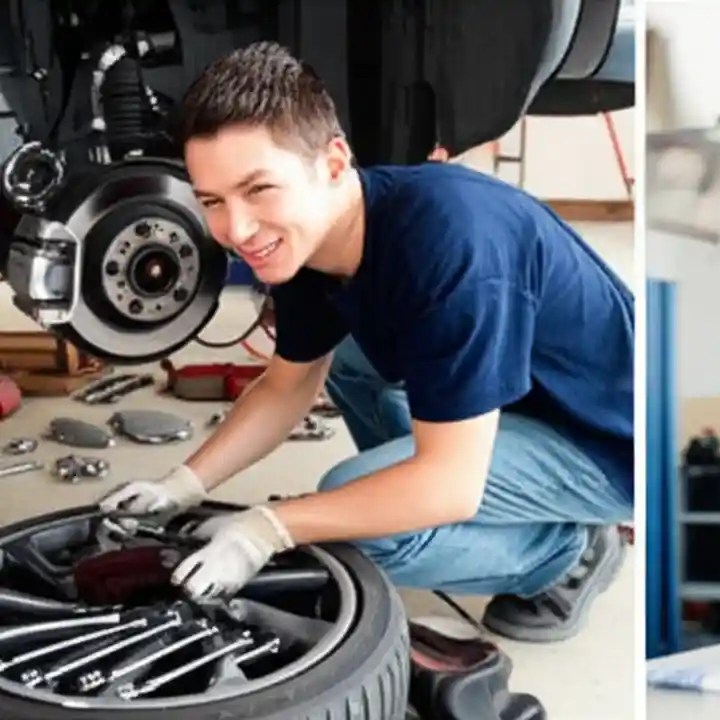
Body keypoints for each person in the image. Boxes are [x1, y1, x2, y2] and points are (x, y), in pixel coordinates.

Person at [96, 41, 635, 643]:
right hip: (515, 404)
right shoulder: (310, 239)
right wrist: (184, 484)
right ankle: (431, 509)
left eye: (259, 190)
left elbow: (448, 484)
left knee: (356, 512)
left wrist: (270, 528)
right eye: (213, 202)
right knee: (348, 357)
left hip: (608, 442)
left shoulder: (451, 248)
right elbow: (288, 383)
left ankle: (564, 554)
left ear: (331, 163)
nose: (238, 230)